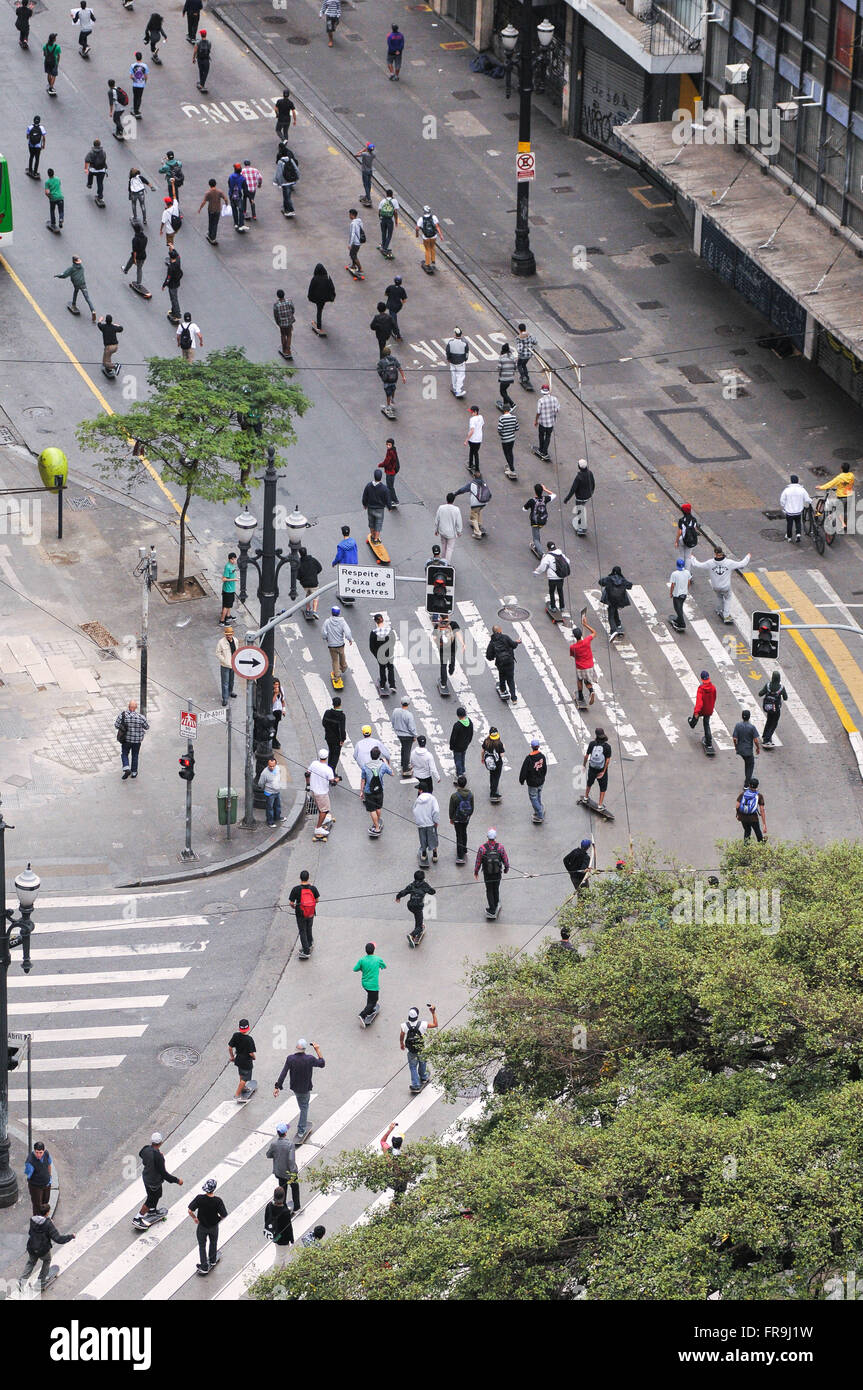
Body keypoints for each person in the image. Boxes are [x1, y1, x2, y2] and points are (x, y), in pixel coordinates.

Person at [273, 1040, 325, 1143]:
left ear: (296, 1047)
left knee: (302, 1106)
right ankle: (301, 1130)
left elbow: (283, 1073)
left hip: (295, 1088)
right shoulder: (309, 1059)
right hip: (305, 1088)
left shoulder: (290, 1059)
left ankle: (302, 1127)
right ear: (305, 1049)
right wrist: (317, 1049)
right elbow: (322, 1063)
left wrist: (277, 1087)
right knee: (304, 1108)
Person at [690, 546, 751, 624]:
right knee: (728, 598)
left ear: (715, 553)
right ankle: (726, 616)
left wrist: (692, 558)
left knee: (719, 597)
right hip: (726, 587)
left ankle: (719, 610)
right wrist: (748, 556)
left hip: (715, 586)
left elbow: (698, 564)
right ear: (722, 553)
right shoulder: (729, 563)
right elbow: (742, 564)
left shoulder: (710, 563)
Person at [135, 1132, 183, 1225]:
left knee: (157, 1195)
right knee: (150, 1200)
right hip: (154, 1181)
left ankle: (152, 1211)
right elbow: (164, 1174)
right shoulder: (158, 1157)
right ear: (161, 1142)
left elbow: (141, 1154)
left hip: (146, 1177)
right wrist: (177, 1180)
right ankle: (138, 1218)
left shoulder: (146, 1149)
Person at [20, 1214, 74, 1293]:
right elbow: (58, 1239)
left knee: (30, 1263)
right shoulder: (48, 1224)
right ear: (47, 1212)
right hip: (43, 1250)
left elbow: (30, 1232)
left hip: (32, 1247)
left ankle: (21, 1282)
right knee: (47, 1261)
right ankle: (41, 1283)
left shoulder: (33, 1220)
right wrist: (71, 1236)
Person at [188, 1179, 227, 1275]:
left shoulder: (199, 1198)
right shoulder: (218, 1201)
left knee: (202, 1246)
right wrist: (217, 1220)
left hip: (202, 1227)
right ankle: (213, 1260)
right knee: (213, 1243)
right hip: (213, 1227)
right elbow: (223, 1215)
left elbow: (190, 1210)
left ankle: (204, 1266)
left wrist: (195, 1219)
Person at [400, 1005, 438, 1089]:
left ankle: (416, 1085)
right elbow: (435, 1024)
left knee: (413, 1067)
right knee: (422, 1062)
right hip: (421, 1049)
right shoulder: (422, 1024)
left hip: (411, 1050)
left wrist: (401, 1043)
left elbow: (402, 1035)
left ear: (409, 1016)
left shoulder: (404, 1025)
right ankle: (424, 1077)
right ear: (417, 1016)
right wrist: (433, 1013)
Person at [396, 869, 436, 947]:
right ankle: (412, 935)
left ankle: (416, 929)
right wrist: (430, 888)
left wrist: (398, 897)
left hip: (410, 906)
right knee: (420, 927)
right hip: (418, 906)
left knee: (417, 918)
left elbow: (403, 892)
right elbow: (432, 892)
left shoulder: (412, 885)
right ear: (423, 878)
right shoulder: (425, 885)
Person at [474, 829, 509, 919]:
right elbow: (505, 859)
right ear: (495, 837)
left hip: (487, 873)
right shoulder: (500, 847)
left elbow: (478, 861)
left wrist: (476, 871)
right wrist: (506, 869)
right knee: (496, 888)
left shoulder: (482, 848)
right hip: (497, 873)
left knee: (489, 890)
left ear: (487, 837)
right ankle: (496, 904)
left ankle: (492, 909)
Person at [266, 1126, 301, 1213]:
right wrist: (294, 1172)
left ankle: (283, 1207)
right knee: (295, 1188)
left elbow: (268, 1155)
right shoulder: (290, 1145)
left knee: (283, 1189)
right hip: (289, 1173)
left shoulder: (274, 1144)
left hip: (279, 1172)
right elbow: (291, 1160)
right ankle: (296, 1206)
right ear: (285, 1133)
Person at [306, 749, 339, 839]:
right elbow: (332, 782)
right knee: (324, 810)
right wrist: (337, 779)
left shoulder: (314, 763)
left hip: (313, 790)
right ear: (327, 757)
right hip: (322, 793)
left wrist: (308, 784)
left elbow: (307, 774)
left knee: (321, 808)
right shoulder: (328, 769)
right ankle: (318, 827)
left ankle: (324, 820)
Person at [360, 745, 391, 836]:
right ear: (379, 755)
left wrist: (362, 791)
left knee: (372, 809)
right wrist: (386, 763)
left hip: (369, 791)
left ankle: (376, 828)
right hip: (379, 790)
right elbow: (392, 773)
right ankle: (378, 822)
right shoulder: (383, 766)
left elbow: (363, 780)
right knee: (378, 807)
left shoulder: (365, 767)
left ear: (371, 755)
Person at [321, 604, 353, 689]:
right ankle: (343, 667)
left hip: (331, 645)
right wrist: (349, 639)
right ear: (339, 613)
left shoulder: (327, 621)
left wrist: (325, 638)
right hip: (340, 644)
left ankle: (337, 675)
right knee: (342, 655)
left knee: (335, 660)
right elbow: (348, 632)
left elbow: (324, 632)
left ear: (331, 613)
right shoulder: (342, 621)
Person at [486, 625, 520, 702]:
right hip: (510, 661)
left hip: (500, 663)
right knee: (510, 679)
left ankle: (503, 690)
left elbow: (489, 656)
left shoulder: (492, 642)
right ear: (499, 630)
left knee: (502, 676)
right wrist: (517, 642)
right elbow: (513, 645)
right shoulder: (505, 637)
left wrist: (493, 657)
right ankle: (514, 699)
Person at [354, 942, 386, 1025]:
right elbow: (384, 966)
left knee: (370, 996)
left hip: (364, 984)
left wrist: (362, 968)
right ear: (374, 950)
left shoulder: (362, 960)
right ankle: (363, 1015)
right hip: (373, 985)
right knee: (374, 1001)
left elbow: (355, 969)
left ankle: (370, 1009)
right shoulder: (378, 959)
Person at [289, 870, 319, 958]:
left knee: (302, 931)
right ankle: (309, 944)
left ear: (300, 878)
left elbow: (291, 902)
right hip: (310, 913)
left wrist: (294, 907)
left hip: (300, 913)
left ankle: (306, 951)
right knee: (309, 928)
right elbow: (317, 900)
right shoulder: (313, 888)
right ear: (308, 878)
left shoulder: (296, 889)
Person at [114, 698, 147, 778]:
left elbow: (116, 725)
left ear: (128, 707)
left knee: (124, 753)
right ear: (136, 708)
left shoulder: (123, 715)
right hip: (137, 741)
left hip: (126, 740)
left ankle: (126, 767)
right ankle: (134, 772)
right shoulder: (141, 717)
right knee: (135, 755)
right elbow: (146, 727)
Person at [598, 565, 632, 640]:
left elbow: (600, 582)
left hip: (610, 599)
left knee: (611, 615)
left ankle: (613, 630)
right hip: (619, 600)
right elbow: (630, 585)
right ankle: (618, 624)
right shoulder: (623, 580)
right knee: (614, 610)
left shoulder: (609, 579)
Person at [453, 470, 491, 538]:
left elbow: (462, 490)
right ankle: (479, 524)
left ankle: (477, 533)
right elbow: (489, 494)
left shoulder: (472, 484)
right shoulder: (484, 483)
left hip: (476, 503)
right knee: (478, 512)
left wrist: (455, 494)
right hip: (484, 502)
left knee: (474, 516)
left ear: (474, 476)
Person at [535, 539, 570, 611]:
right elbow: (568, 561)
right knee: (560, 591)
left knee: (552, 591)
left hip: (552, 578)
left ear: (548, 548)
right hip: (561, 577)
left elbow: (542, 566)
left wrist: (537, 572)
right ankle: (562, 607)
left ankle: (553, 607)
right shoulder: (561, 554)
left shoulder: (548, 556)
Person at [563, 459, 596, 537]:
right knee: (582, 508)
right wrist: (591, 492)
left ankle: (582, 527)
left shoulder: (579, 477)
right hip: (587, 496)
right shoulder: (590, 473)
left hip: (580, 497)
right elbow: (593, 483)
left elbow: (573, 489)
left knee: (580, 510)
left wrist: (567, 499)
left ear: (579, 467)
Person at [816, 467, 855, 532]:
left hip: (842, 497)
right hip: (850, 495)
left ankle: (843, 524)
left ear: (841, 469)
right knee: (845, 511)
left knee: (838, 511)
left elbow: (830, 484)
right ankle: (845, 524)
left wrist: (820, 487)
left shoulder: (840, 477)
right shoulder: (852, 475)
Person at [519, 738, 548, 823]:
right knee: (538, 795)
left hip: (532, 782)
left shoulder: (529, 758)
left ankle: (539, 814)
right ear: (538, 746)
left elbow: (524, 771)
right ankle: (539, 809)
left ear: (531, 746)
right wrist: (542, 777)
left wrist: (522, 780)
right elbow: (545, 768)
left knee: (533, 797)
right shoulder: (542, 756)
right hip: (541, 781)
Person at [570, 615, 596, 706]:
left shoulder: (573, 647)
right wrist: (585, 624)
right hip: (590, 665)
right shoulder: (587, 640)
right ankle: (591, 691)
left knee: (579, 680)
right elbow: (594, 632)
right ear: (581, 635)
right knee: (588, 681)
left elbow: (573, 655)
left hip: (580, 667)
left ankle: (580, 696)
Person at [583, 727, 611, 811]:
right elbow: (607, 761)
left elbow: (586, 756)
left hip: (592, 768)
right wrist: (603, 771)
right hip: (601, 770)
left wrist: (584, 765)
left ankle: (585, 797)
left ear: (596, 735)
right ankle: (599, 805)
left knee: (589, 782)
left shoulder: (592, 744)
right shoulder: (607, 747)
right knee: (603, 787)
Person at [688, 670, 716, 752]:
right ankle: (709, 742)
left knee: (695, 716)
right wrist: (711, 707)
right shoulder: (713, 688)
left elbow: (699, 702)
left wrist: (697, 712)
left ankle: (692, 723)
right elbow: (714, 698)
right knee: (706, 724)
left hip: (702, 709)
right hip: (709, 709)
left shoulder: (701, 689)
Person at [227, 1017, 256, 1099]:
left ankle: (243, 1088)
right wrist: (254, 1057)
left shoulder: (235, 1035)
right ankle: (236, 1095)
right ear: (248, 1028)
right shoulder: (249, 1039)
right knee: (245, 1078)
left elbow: (229, 1047)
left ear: (239, 1027)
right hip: (246, 1062)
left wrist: (232, 1057)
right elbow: (251, 1053)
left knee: (241, 1074)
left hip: (238, 1060)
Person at [412, 782, 440, 865]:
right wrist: (436, 821)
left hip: (421, 824)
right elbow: (436, 811)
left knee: (423, 839)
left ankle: (424, 853)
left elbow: (415, 811)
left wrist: (418, 822)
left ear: (421, 791)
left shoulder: (418, 800)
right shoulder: (432, 798)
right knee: (433, 839)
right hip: (431, 823)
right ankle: (435, 855)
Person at [448, 774, 474, 865]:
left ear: (458, 784)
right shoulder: (470, 795)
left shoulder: (454, 796)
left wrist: (451, 818)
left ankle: (460, 856)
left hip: (457, 819)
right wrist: (468, 815)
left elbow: (451, 809)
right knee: (464, 832)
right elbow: (472, 807)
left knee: (459, 835)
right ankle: (464, 848)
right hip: (466, 818)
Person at [524, 482, 554, 558]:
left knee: (536, 539)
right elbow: (554, 495)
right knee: (537, 532)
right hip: (543, 521)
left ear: (535, 491)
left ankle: (542, 554)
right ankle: (538, 546)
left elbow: (524, 509)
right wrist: (545, 489)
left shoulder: (532, 500)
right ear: (542, 491)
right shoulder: (545, 499)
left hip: (535, 522)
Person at [369, 613, 396, 695]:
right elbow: (393, 641)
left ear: (376, 622)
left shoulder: (373, 633)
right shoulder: (390, 630)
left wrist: (376, 655)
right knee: (390, 668)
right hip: (389, 653)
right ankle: (392, 685)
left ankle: (382, 684)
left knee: (382, 668)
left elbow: (371, 646)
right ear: (382, 619)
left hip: (380, 655)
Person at [264, 1187, 295, 1259]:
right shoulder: (285, 1212)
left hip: (273, 1233)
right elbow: (288, 1228)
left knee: (281, 1254)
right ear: (283, 1197)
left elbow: (266, 1218)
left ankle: (282, 1268)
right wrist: (291, 1239)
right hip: (282, 1239)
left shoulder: (269, 1205)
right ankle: (277, 1270)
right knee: (280, 1256)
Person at [779, 473, 811, 543]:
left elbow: (782, 500)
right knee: (798, 523)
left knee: (789, 524)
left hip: (789, 512)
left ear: (791, 481)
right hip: (798, 511)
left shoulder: (787, 490)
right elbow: (807, 499)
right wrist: (810, 501)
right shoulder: (802, 489)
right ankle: (798, 534)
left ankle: (789, 537)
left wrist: (783, 506)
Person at [24, 1142, 53, 1216]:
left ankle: (44, 1219)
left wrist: (50, 1177)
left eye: (40, 1152)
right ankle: (37, 1221)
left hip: (46, 1184)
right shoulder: (30, 1161)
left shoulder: (46, 1154)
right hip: (36, 1187)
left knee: (45, 1202)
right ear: (34, 1151)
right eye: (37, 1152)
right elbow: (28, 1175)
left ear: (44, 1151)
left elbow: (49, 1164)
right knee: (37, 1206)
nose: (39, 1155)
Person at [732, 708, 760, 783]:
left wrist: (736, 747)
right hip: (748, 750)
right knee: (750, 765)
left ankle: (748, 777)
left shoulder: (738, 725)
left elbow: (734, 738)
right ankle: (747, 783)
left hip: (740, 749)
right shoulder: (752, 727)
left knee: (747, 763)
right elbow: (756, 740)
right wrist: (758, 748)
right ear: (749, 717)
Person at [759, 670, 787, 747]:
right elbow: (785, 698)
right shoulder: (781, 688)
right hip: (776, 709)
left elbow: (760, 693)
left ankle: (765, 735)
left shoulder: (768, 685)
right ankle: (767, 740)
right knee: (773, 724)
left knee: (769, 721)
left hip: (768, 707)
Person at [391, 697, 417, 780]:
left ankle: (403, 763)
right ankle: (406, 768)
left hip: (399, 734)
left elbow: (393, 721)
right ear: (408, 704)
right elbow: (411, 727)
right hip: (408, 735)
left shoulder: (395, 711)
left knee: (403, 748)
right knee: (407, 751)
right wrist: (415, 735)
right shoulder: (409, 715)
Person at [362, 469, 390, 543]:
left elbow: (365, 496)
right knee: (378, 523)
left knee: (371, 522)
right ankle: (376, 539)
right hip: (380, 509)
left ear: (374, 476)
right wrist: (389, 507)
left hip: (370, 508)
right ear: (381, 477)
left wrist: (364, 504)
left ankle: (372, 536)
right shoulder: (384, 488)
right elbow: (387, 499)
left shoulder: (368, 486)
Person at [533, 383, 559, 461]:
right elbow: (557, 410)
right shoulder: (555, 399)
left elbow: (538, 412)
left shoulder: (541, 401)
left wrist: (536, 420)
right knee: (548, 436)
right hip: (551, 422)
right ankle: (544, 451)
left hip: (542, 422)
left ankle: (541, 449)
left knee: (541, 435)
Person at [377, 346, 405, 419]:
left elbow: (379, 371)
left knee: (387, 393)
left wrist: (383, 376)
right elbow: (399, 368)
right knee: (393, 388)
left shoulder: (381, 361)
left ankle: (388, 406)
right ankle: (393, 399)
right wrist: (403, 377)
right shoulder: (394, 359)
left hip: (387, 380)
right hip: (394, 379)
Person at [308, 263, 336, 335]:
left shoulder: (315, 279)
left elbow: (311, 289)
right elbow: (331, 287)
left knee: (319, 310)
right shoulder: (326, 278)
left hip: (317, 298)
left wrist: (310, 297)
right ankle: (319, 323)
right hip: (325, 298)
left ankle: (319, 326)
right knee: (320, 309)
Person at [434, 492, 463, 562]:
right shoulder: (456, 509)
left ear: (446, 499)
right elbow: (459, 522)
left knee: (443, 546)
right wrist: (459, 531)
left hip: (442, 531)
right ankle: (447, 563)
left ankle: (442, 561)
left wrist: (436, 530)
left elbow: (437, 520)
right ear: (453, 500)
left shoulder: (441, 508)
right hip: (452, 533)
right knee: (449, 548)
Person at [736, 778, 767, 842]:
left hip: (743, 817)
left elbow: (737, 806)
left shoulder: (743, 794)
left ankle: (746, 847)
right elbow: (762, 810)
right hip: (753, 817)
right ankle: (761, 846)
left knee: (747, 831)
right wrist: (764, 824)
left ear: (749, 785)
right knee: (758, 832)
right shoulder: (759, 796)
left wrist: (738, 815)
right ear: (757, 786)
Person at [198, 178, 227, 246]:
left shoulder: (208, 193)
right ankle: (212, 237)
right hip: (217, 210)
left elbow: (204, 202)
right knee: (215, 224)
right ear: (215, 184)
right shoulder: (220, 192)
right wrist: (226, 204)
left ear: (209, 185)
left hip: (211, 210)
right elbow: (225, 198)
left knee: (211, 222)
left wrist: (200, 208)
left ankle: (211, 236)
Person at [274, 144, 300, 218]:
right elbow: (297, 170)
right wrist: (296, 179)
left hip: (284, 182)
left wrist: (278, 183)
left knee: (287, 196)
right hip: (291, 180)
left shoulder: (280, 162)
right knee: (287, 196)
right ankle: (286, 209)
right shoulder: (290, 159)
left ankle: (290, 210)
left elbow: (278, 174)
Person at [480, 727, 504, 803]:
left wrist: (482, 758)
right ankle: (493, 794)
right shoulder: (499, 743)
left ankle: (492, 788)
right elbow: (502, 755)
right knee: (496, 777)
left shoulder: (486, 741)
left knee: (492, 775)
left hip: (489, 762)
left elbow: (482, 751)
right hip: (497, 763)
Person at [449, 707, 473, 780]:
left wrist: (451, 746)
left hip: (457, 747)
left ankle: (460, 775)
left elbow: (453, 737)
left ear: (458, 715)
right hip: (465, 745)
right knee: (462, 758)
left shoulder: (457, 725)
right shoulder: (469, 722)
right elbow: (471, 734)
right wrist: (468, 743)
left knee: (458, 761)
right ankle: (463, 771)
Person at [322, 695, 345, 771]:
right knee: (335, 755)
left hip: (328, 737)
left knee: (331, 752)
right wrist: (342, 739)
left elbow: (324, 723)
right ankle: (331, 772)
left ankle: (329, 768)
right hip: (337, 740)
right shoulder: (341, 716)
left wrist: (328, 730)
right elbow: (342, 729)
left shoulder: (327, 712)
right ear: (340, 704)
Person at [258, 756, 283, 828]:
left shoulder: (278, 768)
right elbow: (260, 783)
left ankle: (277, 817)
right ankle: (270, 822)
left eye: (273, 766)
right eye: (270, 766)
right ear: (267, 765)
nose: (271, 767)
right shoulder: (264, 773)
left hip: (277, 791)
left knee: (277, 806)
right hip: (269, 793)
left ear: (276, 764)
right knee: (270, 808)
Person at [415, 204, 443, 271]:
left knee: (427, 249)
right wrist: (441, 235)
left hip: (426, 237)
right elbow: (437, 226)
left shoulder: (421, 219)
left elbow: (417, 228)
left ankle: (427, 264)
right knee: (432, 247)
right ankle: (433, 261)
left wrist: (417, 234)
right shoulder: (434, 217)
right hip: (434, 236)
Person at [298, 547, 322, 618]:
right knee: (315, 596)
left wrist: (302, 579)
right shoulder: (313, 560)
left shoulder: (299, 562)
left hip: (305, 584)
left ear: (300, 554)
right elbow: (320, 568)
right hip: (314, 582)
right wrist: (314, 574)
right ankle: (314, 611)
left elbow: (297, 575)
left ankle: (308, 609)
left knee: (308, 594)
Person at [668, 557, 691, 632]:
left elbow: (672, 585)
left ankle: (682, 623)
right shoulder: (687, 572)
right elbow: (688, 582)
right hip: (684, 594)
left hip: (677, 595)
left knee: (678, 609)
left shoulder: (674, 574)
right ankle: (678, 619)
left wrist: (671, 593)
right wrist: (686, 589)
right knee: (680, 607)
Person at [216, 624, 237, 705]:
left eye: (230, 634)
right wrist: (224, 660)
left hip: (233, 664)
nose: (229, 636)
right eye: (227, 635)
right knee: (225, 682)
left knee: (231, 681)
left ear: (233, 634)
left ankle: (230, 692)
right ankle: (225, 698)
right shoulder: (221, 642)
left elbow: (236, 650)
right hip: (225, 665)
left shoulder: (235, 640)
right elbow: (217, 653)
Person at [123, 221, 148, 289]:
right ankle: (139, 283)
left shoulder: (135, 239)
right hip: (143, 255)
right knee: (139, 268)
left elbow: (135, 251)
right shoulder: (145, 238)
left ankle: (126, 270)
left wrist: (134, 259)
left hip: (137, 256)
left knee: (131, 261)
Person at [497, 404, 519, 478]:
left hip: (505, 439)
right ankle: (511, 466)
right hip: (512, 438)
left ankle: (512, 469)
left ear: (503, 410)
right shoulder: (514, 417)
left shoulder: (502, 418)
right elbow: (517, 428)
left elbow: (499, 429)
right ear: (509, 410)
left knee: (507, 454)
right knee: (510, 453)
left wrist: (502, 434)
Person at [162, 247, 183, 323]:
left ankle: (177, 314)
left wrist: (164, 285)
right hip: (177, 282)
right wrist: (173, 249)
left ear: (170, 257)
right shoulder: (178, 261)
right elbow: (178, 255)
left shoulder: (171, 267)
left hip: (172, 285)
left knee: (174, 299)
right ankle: (174, 310)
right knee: (174, 297)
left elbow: (168, 277)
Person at [446, 328, 469, 398]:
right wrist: (465, 359)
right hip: (460, 362)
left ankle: (454, 387)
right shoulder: (464, 343)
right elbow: (467, 353)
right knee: (460, 376)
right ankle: (458, 391)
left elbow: (447, 351)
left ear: (455, 334)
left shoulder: (450, 342)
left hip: (452, 361)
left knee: (453, 374)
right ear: (461, 334)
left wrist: (448, 359)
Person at [83, 139, 107, 207]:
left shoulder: (91, 152)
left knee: (90, 174)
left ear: (94, 145)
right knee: (100, 183)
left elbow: (87, 160)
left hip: (93, 169)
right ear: (100, 144)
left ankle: (89, 184)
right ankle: (100, 196)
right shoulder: (103, 152)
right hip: (102, 170)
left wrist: (85, 169)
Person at [516, 323, 538, 389]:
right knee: (524, 365)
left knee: (519, 365)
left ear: (519, 329)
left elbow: (520, 349)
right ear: (525, 328)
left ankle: (523, 377)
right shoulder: (530, 335)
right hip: (529, 354)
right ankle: (526, 376)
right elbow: (535, 342)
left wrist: (518, 356)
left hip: (522, 355)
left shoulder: (519, 337)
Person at [378, 188, 399, 253]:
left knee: (383, 233)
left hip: (383, 219)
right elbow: (395, 212)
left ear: (386, 194)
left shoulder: (382, 201)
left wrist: (380, 218)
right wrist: (396, 221)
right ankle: (385, 248)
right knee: (389, 235)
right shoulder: (394, 201)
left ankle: (383, 246)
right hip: (389, 220)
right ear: (392, 194)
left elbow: (379, 211)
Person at [227, 163, 247, 232]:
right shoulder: (242, 178)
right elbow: (245, 188)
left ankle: (235, 223)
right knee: (241, 210)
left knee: (234, 209)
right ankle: (240, 224)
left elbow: (229, 185)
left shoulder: (230, 177)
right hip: (238, 196)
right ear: (240, 170)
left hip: (231, 195)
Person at [381, 437, 400, 509]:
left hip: (391, 472)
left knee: (390, 486)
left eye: (389, 445)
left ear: (392, 445)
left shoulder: (391, 452)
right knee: (389, 486)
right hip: (391, 471)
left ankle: (395, 501)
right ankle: (391, 500)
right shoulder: (391, 451)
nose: (387, 446)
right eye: (387, 444)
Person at [496, 343, 516, 410]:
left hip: (504, 378)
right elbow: (515, 367)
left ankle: (512, 404)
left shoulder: (501, 358)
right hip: (511, 378)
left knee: (502, 392)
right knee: (504, 391)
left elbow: (499, 368)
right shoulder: (512, 357)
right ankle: (505, 404)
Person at [355, 143, 376, 207]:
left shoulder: (365, 154)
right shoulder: (373, 155)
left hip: (365, 171)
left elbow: (356, 154)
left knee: (365, 185)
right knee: (369, 184)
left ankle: (368, 199)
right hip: (370, 171)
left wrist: (363, 150)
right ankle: (367, 196)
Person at [219, 551, 238, 624]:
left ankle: (228, 616)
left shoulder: (232, 565)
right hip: (227, 590)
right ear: (229, 559)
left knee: (230, 604)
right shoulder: (227, 567)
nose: (234, 560)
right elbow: (223, 579)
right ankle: (222, 620)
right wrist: (234, 579)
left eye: (235, 559)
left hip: (231, 589)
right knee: (226, 606)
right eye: (232, 559)